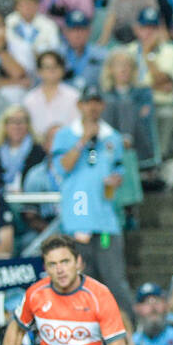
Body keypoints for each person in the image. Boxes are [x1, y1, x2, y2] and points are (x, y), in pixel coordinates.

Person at [48, 88, 135, 317]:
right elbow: (62, 167)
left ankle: (128, 331)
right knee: (79, 282)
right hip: (77, 222)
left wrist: (116, 178)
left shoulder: (113, 138)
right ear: (80, 105)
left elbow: (118, 169)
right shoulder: (66, 135)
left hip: (106, 221)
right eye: (88, 102)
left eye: (97, 102)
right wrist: (82, 140)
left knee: (114, 281)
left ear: (102, 105)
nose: (92, 107)